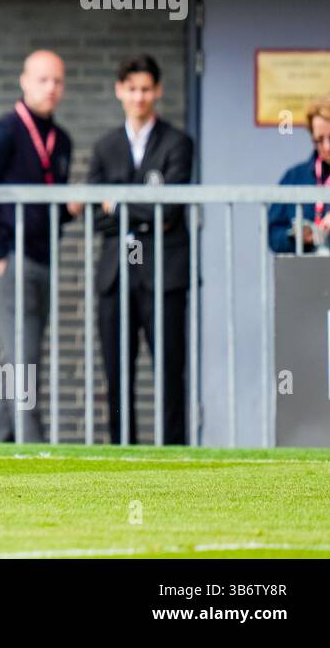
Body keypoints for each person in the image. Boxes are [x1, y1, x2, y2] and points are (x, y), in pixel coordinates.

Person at [0, 50, 74, 442]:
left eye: (58, 81)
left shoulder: (61, 140)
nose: (51, 88)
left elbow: (48, 206)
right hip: (10, 260)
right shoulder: (3, 130)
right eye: (43, 79)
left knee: (17, 356)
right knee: (23, 358)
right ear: (24, 81)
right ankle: (34, 445)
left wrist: (69, 210)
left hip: (43, 259)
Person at [87, 55, 193, 445]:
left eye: (146, 89)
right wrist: (143, 209)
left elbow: (170, 210)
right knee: (117, 373)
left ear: (158, 91)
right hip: (115, 276)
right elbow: (96, 219)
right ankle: (122, 452)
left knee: (169, 370)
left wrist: (119, 206)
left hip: (164, 275)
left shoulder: (178, 143)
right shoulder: (105, 146)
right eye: (132, 89)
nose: (139, 97)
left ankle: (173, 451)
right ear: (120, 91)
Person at [269, 92, 330, 254]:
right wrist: (296, 238)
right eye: (319, 140)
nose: (327, 147)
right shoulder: (294, 177)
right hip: (305, 272)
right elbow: (273, 234)